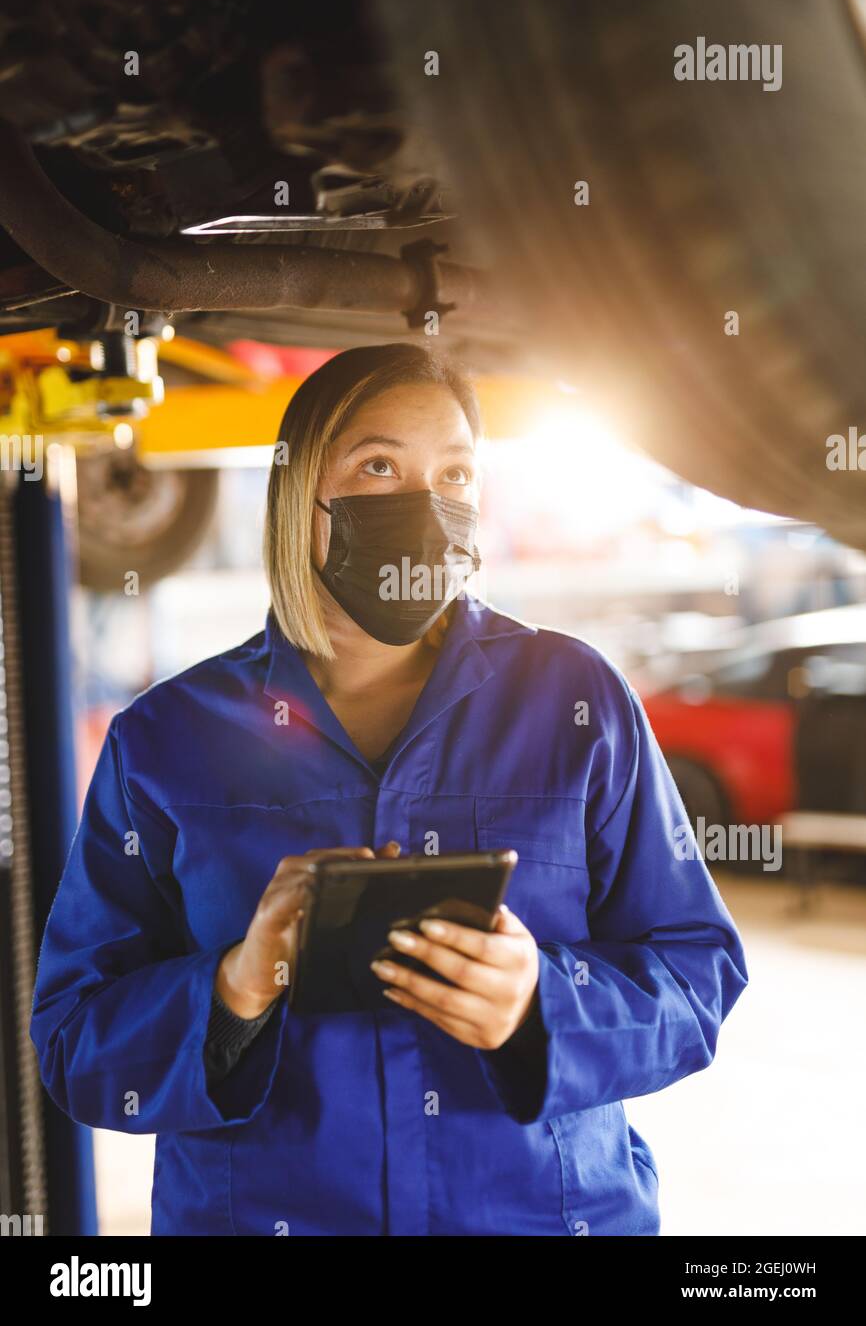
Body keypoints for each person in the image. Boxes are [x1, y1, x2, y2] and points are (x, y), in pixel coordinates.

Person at [30, 343, 748, 1236]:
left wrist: (542, 1003)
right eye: (379, 466)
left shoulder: (573, 700)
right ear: (303, 498)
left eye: (454, 472)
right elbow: (73, 1043)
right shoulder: (168, 738)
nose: (424, 503)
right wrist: (234, 990)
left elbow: (698, 976)